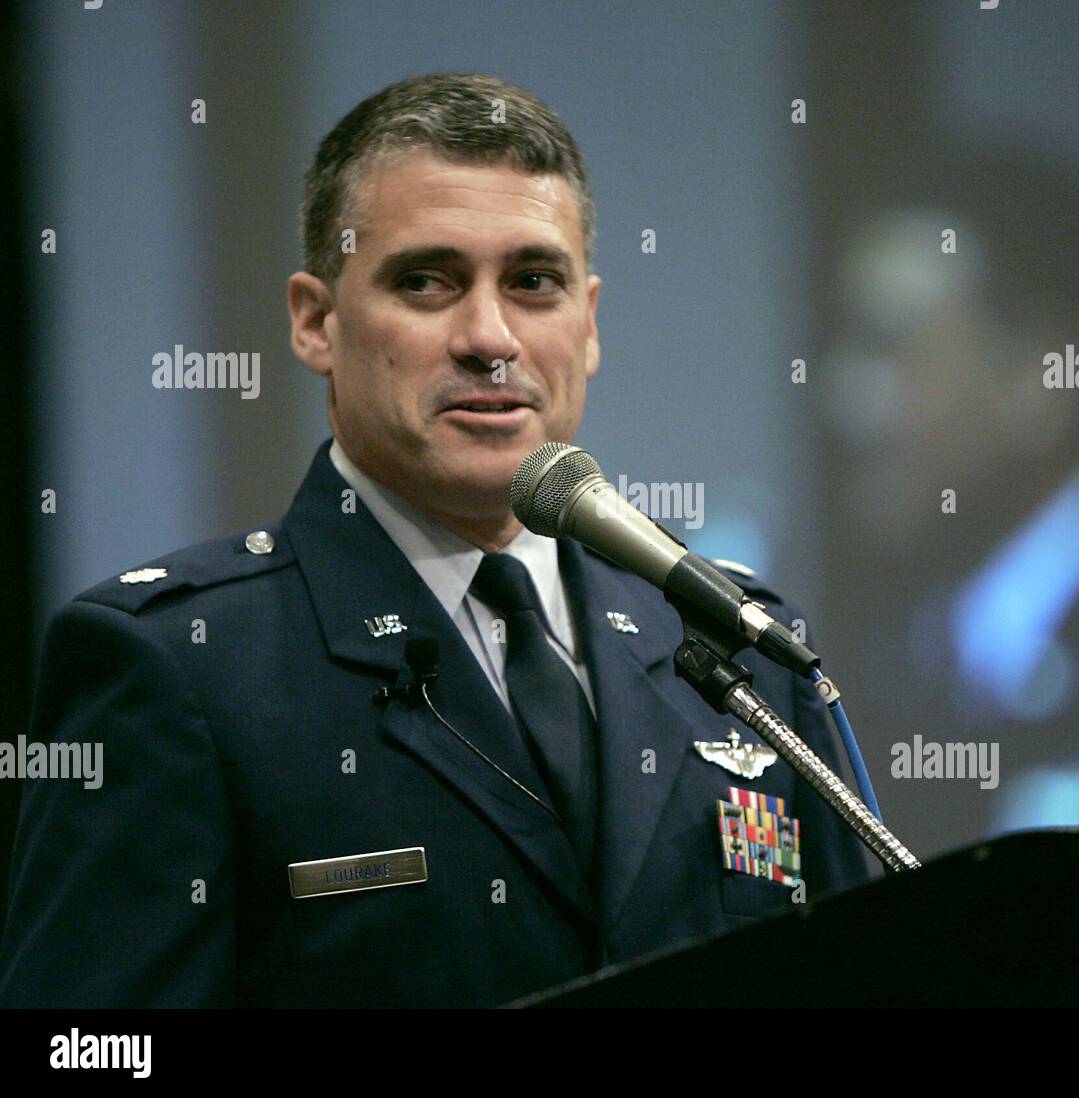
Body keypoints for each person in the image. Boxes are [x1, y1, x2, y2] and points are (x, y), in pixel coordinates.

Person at [0, 73, 873, 1008]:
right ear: (315, 321)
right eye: (427, 281)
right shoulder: (178, 667)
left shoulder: (730, 645)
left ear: (589, 325)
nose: (489, 337)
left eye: (534, 283)